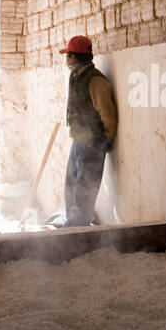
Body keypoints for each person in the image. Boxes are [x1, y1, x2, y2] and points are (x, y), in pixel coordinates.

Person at [59, 35, 117, 227]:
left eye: (68, 55)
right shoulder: (76, 76)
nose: (66, 59)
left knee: (84, 189)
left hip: (92, 143)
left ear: (76, 57)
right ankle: (72, 224)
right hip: (78, 140)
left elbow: (107, 113)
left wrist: (106, 140)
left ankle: (78, 230)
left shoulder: (95, 81)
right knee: (71, 186)